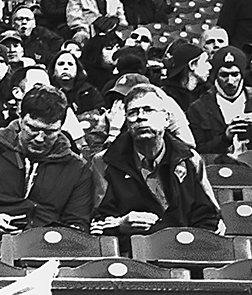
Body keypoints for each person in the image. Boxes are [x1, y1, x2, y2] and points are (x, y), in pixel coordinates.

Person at [0, 85, 96, 255]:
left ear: (61, 127)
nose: (39, 138)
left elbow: (77, 225)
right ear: (20, 119)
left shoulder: (77, 168)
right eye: (33, 128)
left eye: (49, 132)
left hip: (45, 252)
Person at [93, 83, 223, 233]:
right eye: (133, 112)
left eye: (149, 110)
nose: (141, 117)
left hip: (184, 243)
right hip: (132, 245)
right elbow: (97, 223)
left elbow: (209, 216)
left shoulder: (189, 159)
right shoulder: (104, 161)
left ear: (166, 119)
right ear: (127, 123)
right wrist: (120, 225)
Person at [185, 46, 252, 157]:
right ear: (215, 76)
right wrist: (225, 138)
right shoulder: (199, 108)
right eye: (224, 75)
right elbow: (199, 152)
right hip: (220, 166)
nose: (230, 81)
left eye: (235, 74)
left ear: (242, 75)